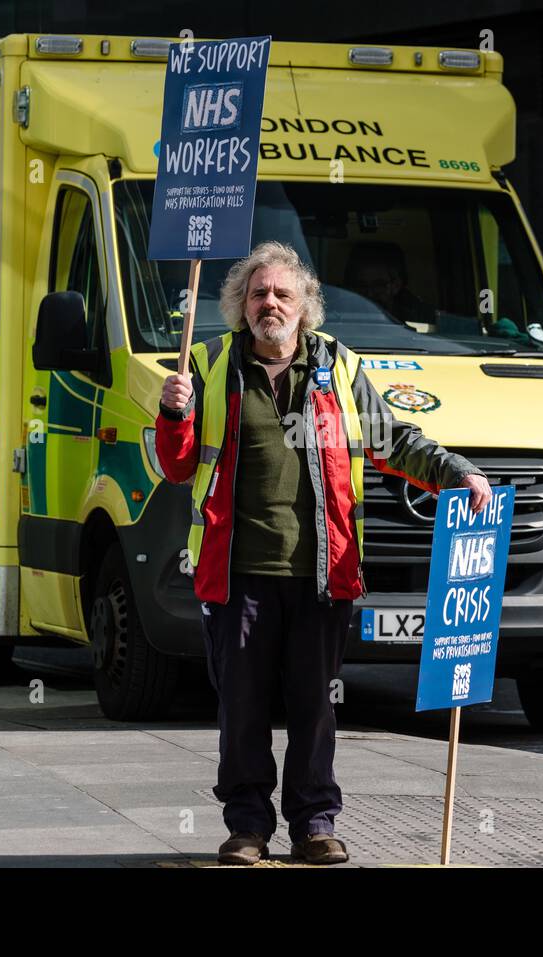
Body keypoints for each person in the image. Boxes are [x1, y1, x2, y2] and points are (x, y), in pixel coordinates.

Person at [155, 241, 491, 866]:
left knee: (315, 707)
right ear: (240, 305)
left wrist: (456, 473)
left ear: (305, 304)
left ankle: (315, 823)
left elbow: (396, 442)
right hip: (236, 575)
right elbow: (175, 466)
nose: (269, 304)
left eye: (282, 294)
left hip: (321, 573)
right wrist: (173, 414)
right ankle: (247, 828)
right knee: (243, 709)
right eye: (257, 294)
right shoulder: (206, 366)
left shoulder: (338, 367)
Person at [345, 241, 436, 327]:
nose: (370, 293)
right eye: (362, 285)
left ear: (396, 285)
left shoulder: (419, 318)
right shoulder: (338, 315)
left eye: (378, 285)